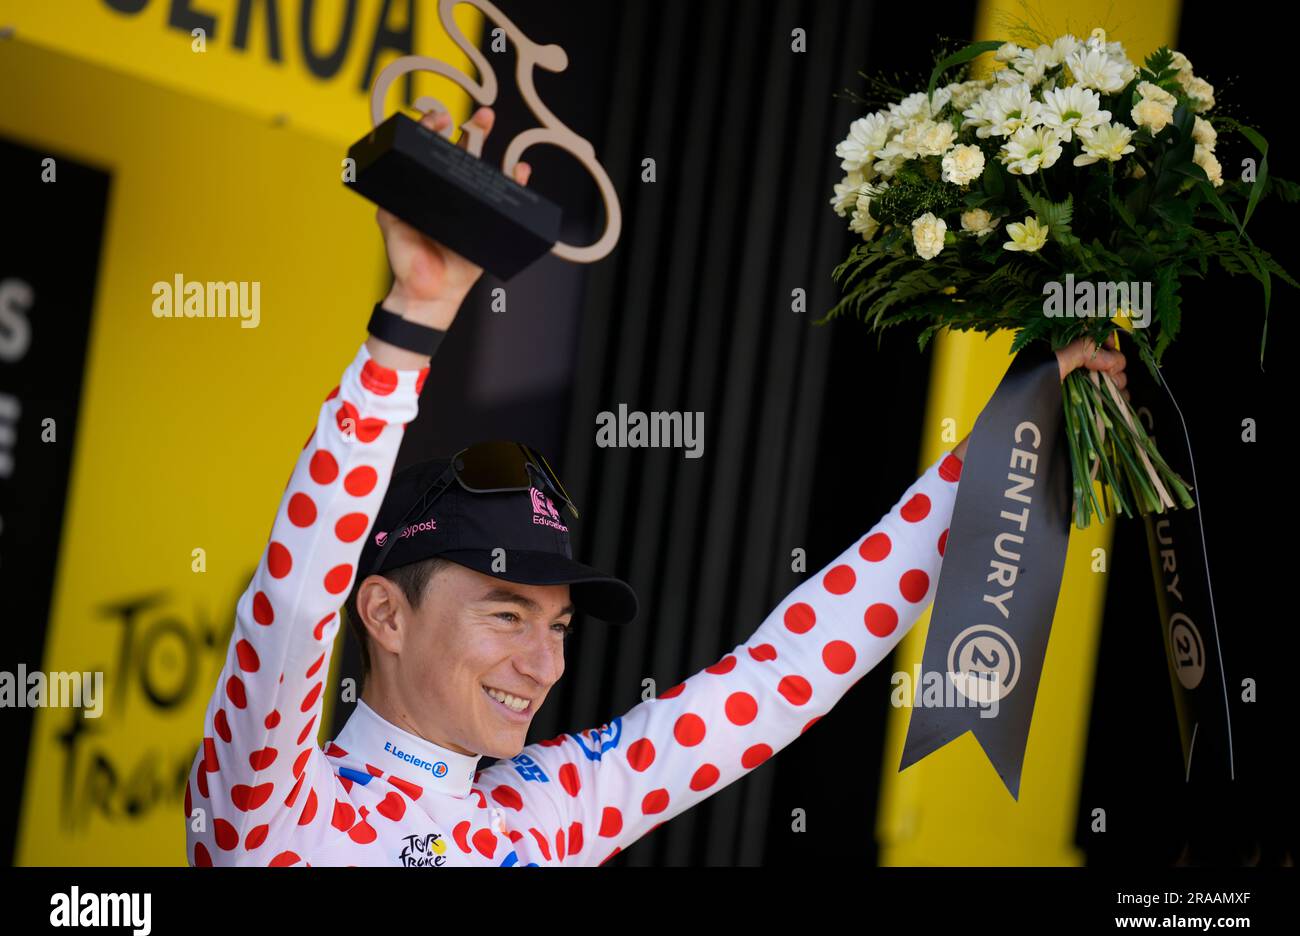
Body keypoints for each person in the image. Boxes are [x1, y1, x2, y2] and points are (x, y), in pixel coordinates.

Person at [184, 106, 1129, 867]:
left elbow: (780, 679)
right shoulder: (272, 813)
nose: (545, 666)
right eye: (509, 616)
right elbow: (297, 597)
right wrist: (412, 325)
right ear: (383, 615)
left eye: (556, 627)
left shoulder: (546, 812)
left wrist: (1006, 448)